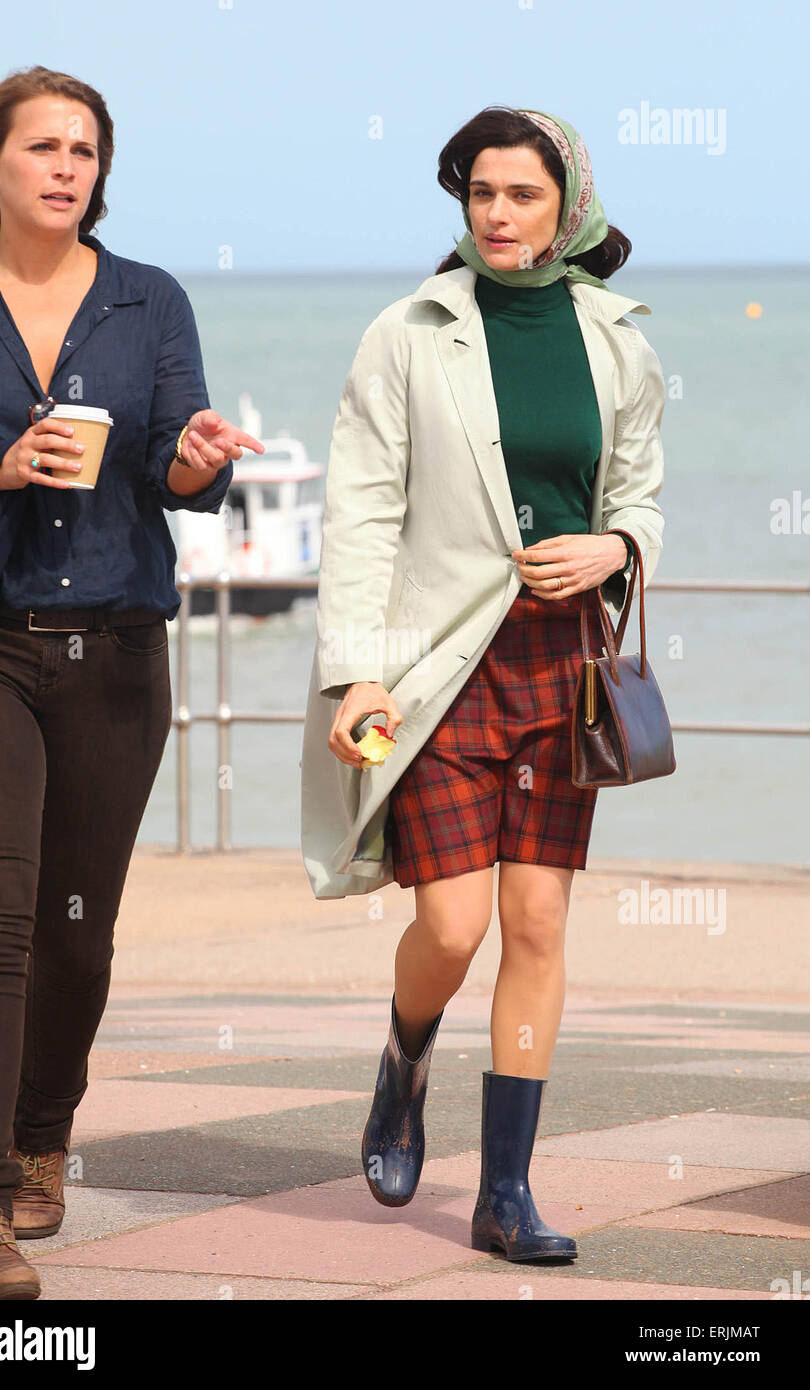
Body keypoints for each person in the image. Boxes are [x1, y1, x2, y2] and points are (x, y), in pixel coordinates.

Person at [300, 106, 666, 1263]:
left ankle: (504, 1193)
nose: (498, 216)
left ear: (569, 205)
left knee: (537, 919)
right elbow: (359, 508)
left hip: (565, 666)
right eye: (480, 194)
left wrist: (615, 548)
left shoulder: (616, 337)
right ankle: (405, 1057)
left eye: (522, 195)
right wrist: (355, 673)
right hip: (434, 666)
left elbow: (640, 497)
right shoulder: (407, 331)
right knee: (451, 927)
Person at [0, 65, 263, 1300]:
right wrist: (0, 464)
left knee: (75, 935)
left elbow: (187, 461)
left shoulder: (148, 301)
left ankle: (42, 1132)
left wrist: (192, 458)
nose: (67, 167)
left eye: (85, 150)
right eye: (44, 147)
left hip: (120, 649)